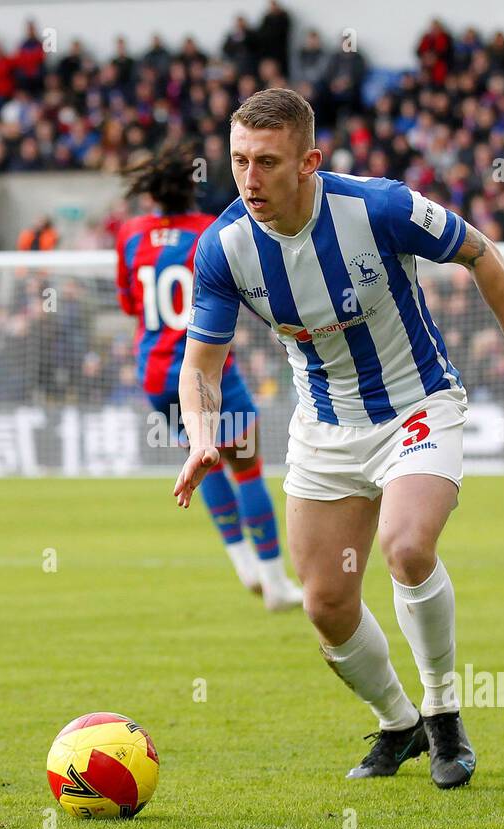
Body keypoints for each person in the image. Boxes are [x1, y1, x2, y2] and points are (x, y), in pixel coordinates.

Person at [174, 89, 504, 789]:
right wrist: (198, 435)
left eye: (268, 162)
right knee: (325, 604)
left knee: (407, 547)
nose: (249, 178)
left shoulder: (381, 208)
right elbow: (200, 368)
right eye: (239, 160)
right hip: (325, 428)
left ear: (309, 162)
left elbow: (480, 253)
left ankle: (443, 714)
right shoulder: (224, 249)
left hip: (417, 407)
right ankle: (397, 723)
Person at [117, 143, 302, 611]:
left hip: (156, 375)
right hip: (205, 373)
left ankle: (241, 561)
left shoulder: (131, 235)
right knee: (247, 466)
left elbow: (128, 304)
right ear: (191, 187)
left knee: (202, 458)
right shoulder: (210, 232)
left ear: (151, 194)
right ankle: (275, 581)